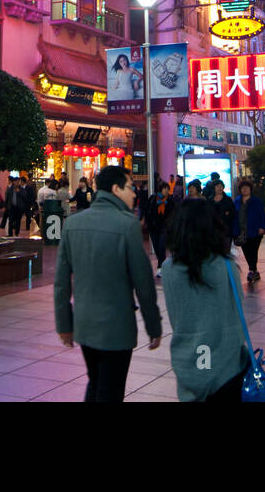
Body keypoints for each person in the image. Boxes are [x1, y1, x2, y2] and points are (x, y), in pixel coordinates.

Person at [54, 165, 162, 401]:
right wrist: (154, 325)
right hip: (116, 328)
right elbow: (143, 282)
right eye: (131, 188)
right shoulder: (127, 225)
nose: (135, 194)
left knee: (96, 382)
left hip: (84, 325)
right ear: (116, 189)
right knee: (110, 390)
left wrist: (64, 323)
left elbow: (61, 282)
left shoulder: (72, 223)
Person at [160, 198, 249, 401]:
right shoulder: (226, 266)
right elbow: (238, 305)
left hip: (189, 359)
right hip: (228, 366)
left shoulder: (168, 269)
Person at [232, 179, 265, 282]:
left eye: (247, 188)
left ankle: (252, 270)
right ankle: (253, 270)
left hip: (254, 230)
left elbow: (262, 214)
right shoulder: (237, 201)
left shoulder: (256, 201)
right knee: (247, 251)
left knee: (253, 251)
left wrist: (262, 227)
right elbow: (234, 216)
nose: (244, 190)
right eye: (242, 188)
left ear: (250, 189)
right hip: (241, 231)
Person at [144, 180, 175, 276]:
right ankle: (161, 265)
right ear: (160, 189)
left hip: (164, 228)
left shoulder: (169, 201)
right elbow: (148, 211)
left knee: (161, 247)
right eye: (165, 189)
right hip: (154, 227)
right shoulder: (153, 199)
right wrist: (148, 223)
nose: (166, 191)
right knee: (157, 247)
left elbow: (173, 213)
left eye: (167, 189)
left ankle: (160, 267)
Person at [211, 179, 236, 247]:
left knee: (226, 250)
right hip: (213, 231)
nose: (220, 188)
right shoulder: (210, 200)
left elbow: (233, 213)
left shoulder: (228, 200)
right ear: (214, 188)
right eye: (218, 186)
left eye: (221, 186)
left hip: (226, 230)